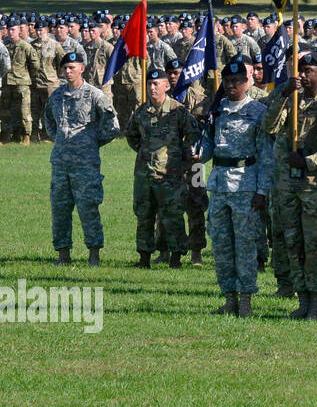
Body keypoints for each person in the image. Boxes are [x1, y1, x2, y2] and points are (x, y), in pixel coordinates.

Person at [261, 51, 317, 320]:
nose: (304, 75)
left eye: (310, 70)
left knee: (316, 244)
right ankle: (302, 298)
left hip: (316, 188)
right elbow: (269, 126)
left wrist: (309, 161)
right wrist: (284, 94)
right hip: (287, 185)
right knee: (292, 242)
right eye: (301, 70)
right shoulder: (291, 99)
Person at [195, 58, 273, 317]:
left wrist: (262, 191)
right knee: (221, 243)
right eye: (227, 81)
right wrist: (197, 154)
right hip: (218, 185)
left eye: (237, 81)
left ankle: (247, 298)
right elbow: (208, 147)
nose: (231, 85)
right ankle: (229, 297)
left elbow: (265, 156)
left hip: (245, 185)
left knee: (245, 244)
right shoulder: (216, 111)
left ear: (247, 82)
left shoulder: (258, 113)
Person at [46, 52, 119, 266]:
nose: (68, 71)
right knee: (59, 210)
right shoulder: (56, 96)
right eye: (65, 68)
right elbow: (49, 121)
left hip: (85, 164)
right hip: (60, 164)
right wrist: (60, 139)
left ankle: (94, 253)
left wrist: (92, 142)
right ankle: (63, 253)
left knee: (88, 209)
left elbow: (113, 126)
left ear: (82, 69)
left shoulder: (94, 95)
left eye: (72, 67)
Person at [124, 67, 200, 269]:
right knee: (144, 216)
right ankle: (144, 258)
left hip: (170, 175)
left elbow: (193, 133)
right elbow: (131, 135)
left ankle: (175, 258)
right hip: (144, 175)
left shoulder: (177, 110)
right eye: (149, 83)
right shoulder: (141, 112)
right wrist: (144, 151)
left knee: (173, 217)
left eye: (156, 84)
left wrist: (183, 155)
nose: (152, 87)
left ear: (166, 85)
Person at [2, 21, 38, 143]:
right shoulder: (4, 45)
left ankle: (27, 135)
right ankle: (6, 134)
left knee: (24, 110)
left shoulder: (26, 46)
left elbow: (35, 65)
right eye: (9, 30)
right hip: (7, 82)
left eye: (13, 30)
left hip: (21, 82)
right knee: (5, 110)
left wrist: (26, 76)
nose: (11, 32)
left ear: (19, 31)